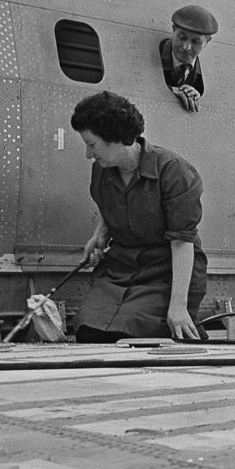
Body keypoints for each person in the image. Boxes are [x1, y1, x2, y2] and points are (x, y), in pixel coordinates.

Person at [70, 91, 207, 342]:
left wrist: (178, 307)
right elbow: (114, 205)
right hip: (121, 269)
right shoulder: (101, 172)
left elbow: (181, 242)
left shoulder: (175, 172)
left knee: (131, 332)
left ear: (116, 139)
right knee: (88, 329)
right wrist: (99, 236)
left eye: (92, 145)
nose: (89, 154)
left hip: (166, 273)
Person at [160, 5, 218, 112]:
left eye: (196, 42)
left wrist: (195, 95)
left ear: (207, 42)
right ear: (173, 30)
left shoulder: (201, 74)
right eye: (182, 38)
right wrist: (170, 90)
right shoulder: (158, 57)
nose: (186, 47)